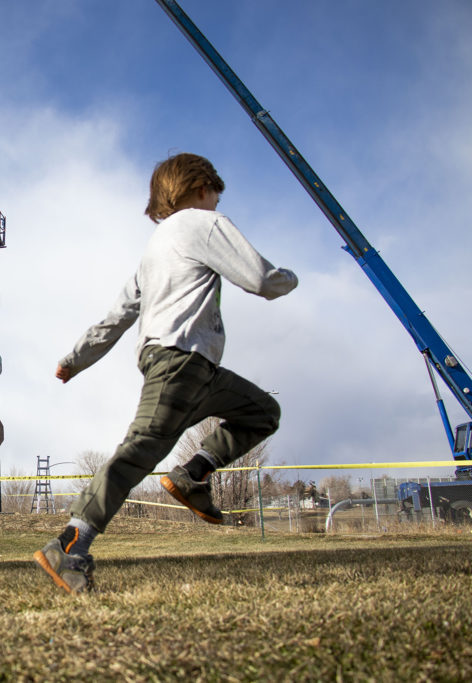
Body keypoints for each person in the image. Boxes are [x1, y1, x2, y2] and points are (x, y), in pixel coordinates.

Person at [33, 153, 298, 594]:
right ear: (201, 187)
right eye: (215, 192)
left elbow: (117, 316)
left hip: (200, 371)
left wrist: (75, 358)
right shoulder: (203, 223)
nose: (216, 201)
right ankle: (69, 546)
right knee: (139, 451)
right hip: (179, 364)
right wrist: (289, 279)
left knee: (261, 411)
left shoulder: (154, 250)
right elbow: (261, 280)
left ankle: (193, 474)